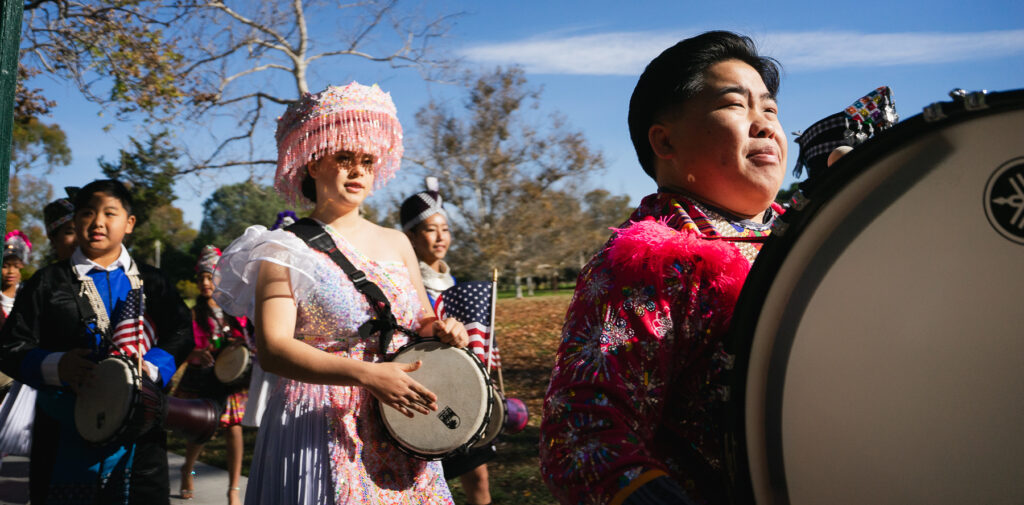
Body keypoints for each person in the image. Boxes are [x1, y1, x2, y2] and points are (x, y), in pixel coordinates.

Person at [539, 31, 787, 505]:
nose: (764, 125)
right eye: (737, 105)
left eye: (771, 109)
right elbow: (584, 435)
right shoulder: (646, 263)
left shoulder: (815, 238)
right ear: (665, 140)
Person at [214, 81, 469, 505]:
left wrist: (443, 329)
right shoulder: (283, 247)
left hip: (402, 416)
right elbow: (273, 349)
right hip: (318, 420)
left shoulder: (397, 241)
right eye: (344, 158)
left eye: (367, 161)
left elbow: (422, 320)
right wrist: (367, 375)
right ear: (313, 165)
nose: (358, 171)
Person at [0, 179, 194, 504]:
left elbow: (182, 332)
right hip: (63, 434)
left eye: (110, 213)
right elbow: (9, 348)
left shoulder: (154, 282)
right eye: (88, 212)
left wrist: (152, 367)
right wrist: (57, 365)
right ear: (76, 221)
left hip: (141, 440)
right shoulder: (47, 283)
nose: (98, 222)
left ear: (129, 223)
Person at [401, 179, 494, 505]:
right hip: (425, 393)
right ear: (411, 237)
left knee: (478, 479)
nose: (441, 237)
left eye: (446, 229)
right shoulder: (404, 284)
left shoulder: (456, 284)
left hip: (463, 391)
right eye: (430, 230)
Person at [175, 245, 252, 504]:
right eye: (201, 278)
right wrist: (195, 353)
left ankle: (233, 490)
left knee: (234, 430)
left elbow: (249, 338)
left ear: (221, 278)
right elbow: (184, 347)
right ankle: (189, 470)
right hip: (204, 381)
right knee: (202, 433)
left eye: (211, 277)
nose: (205, 283)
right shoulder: (194, 314)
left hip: (231, 381)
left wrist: (240, 343)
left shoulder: (235, 310)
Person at [0, 230, 34, 460]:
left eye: (15, 265)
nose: (11, 271)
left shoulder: (29, 298)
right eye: (5, 265)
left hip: (20, 379)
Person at [42, 188, 80, 263]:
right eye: (70, 232)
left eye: (86, 231)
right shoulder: (46, 274)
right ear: (53, 239)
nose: (79, 239)